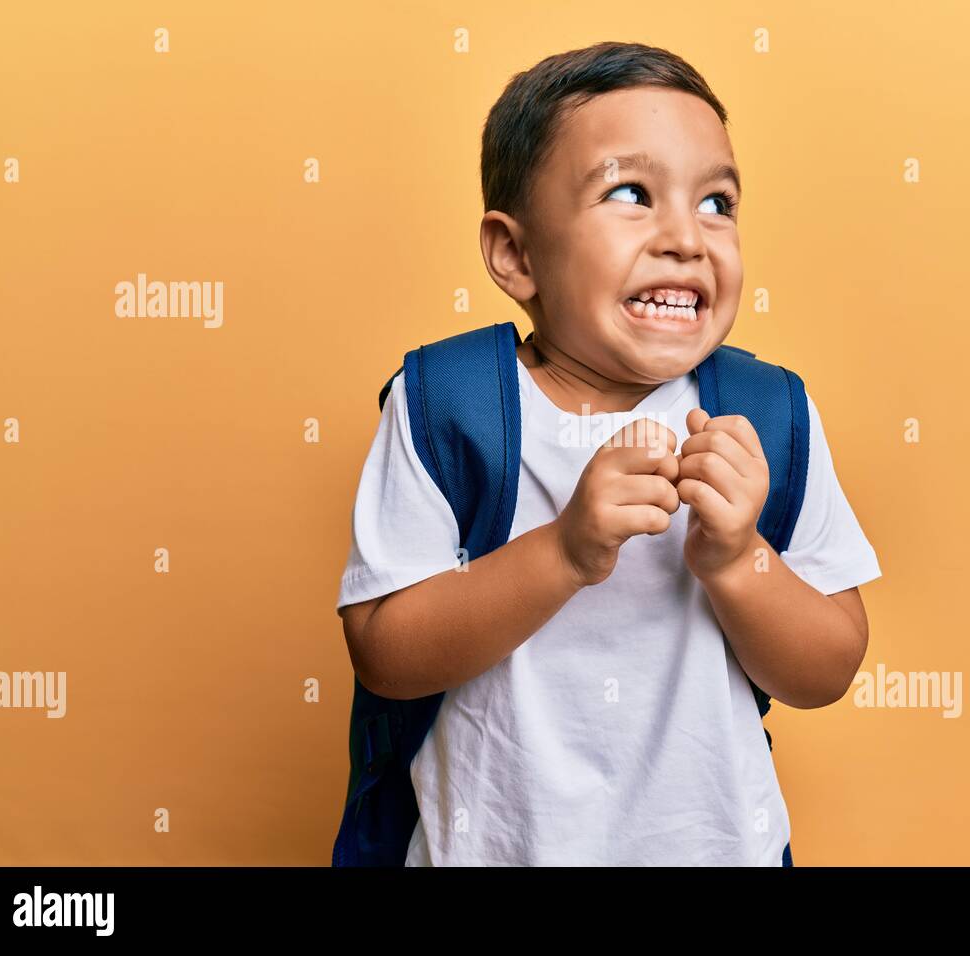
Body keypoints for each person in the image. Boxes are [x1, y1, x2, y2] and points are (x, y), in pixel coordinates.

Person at [336, 41, 881, 866]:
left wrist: (739, 561)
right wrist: (564, 550)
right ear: (516, 256)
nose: (687, 239)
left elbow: (829, 667)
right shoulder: (446, 405)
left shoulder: (767, 414)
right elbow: (384, 651)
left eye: (717, 203)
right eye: (631, 193)